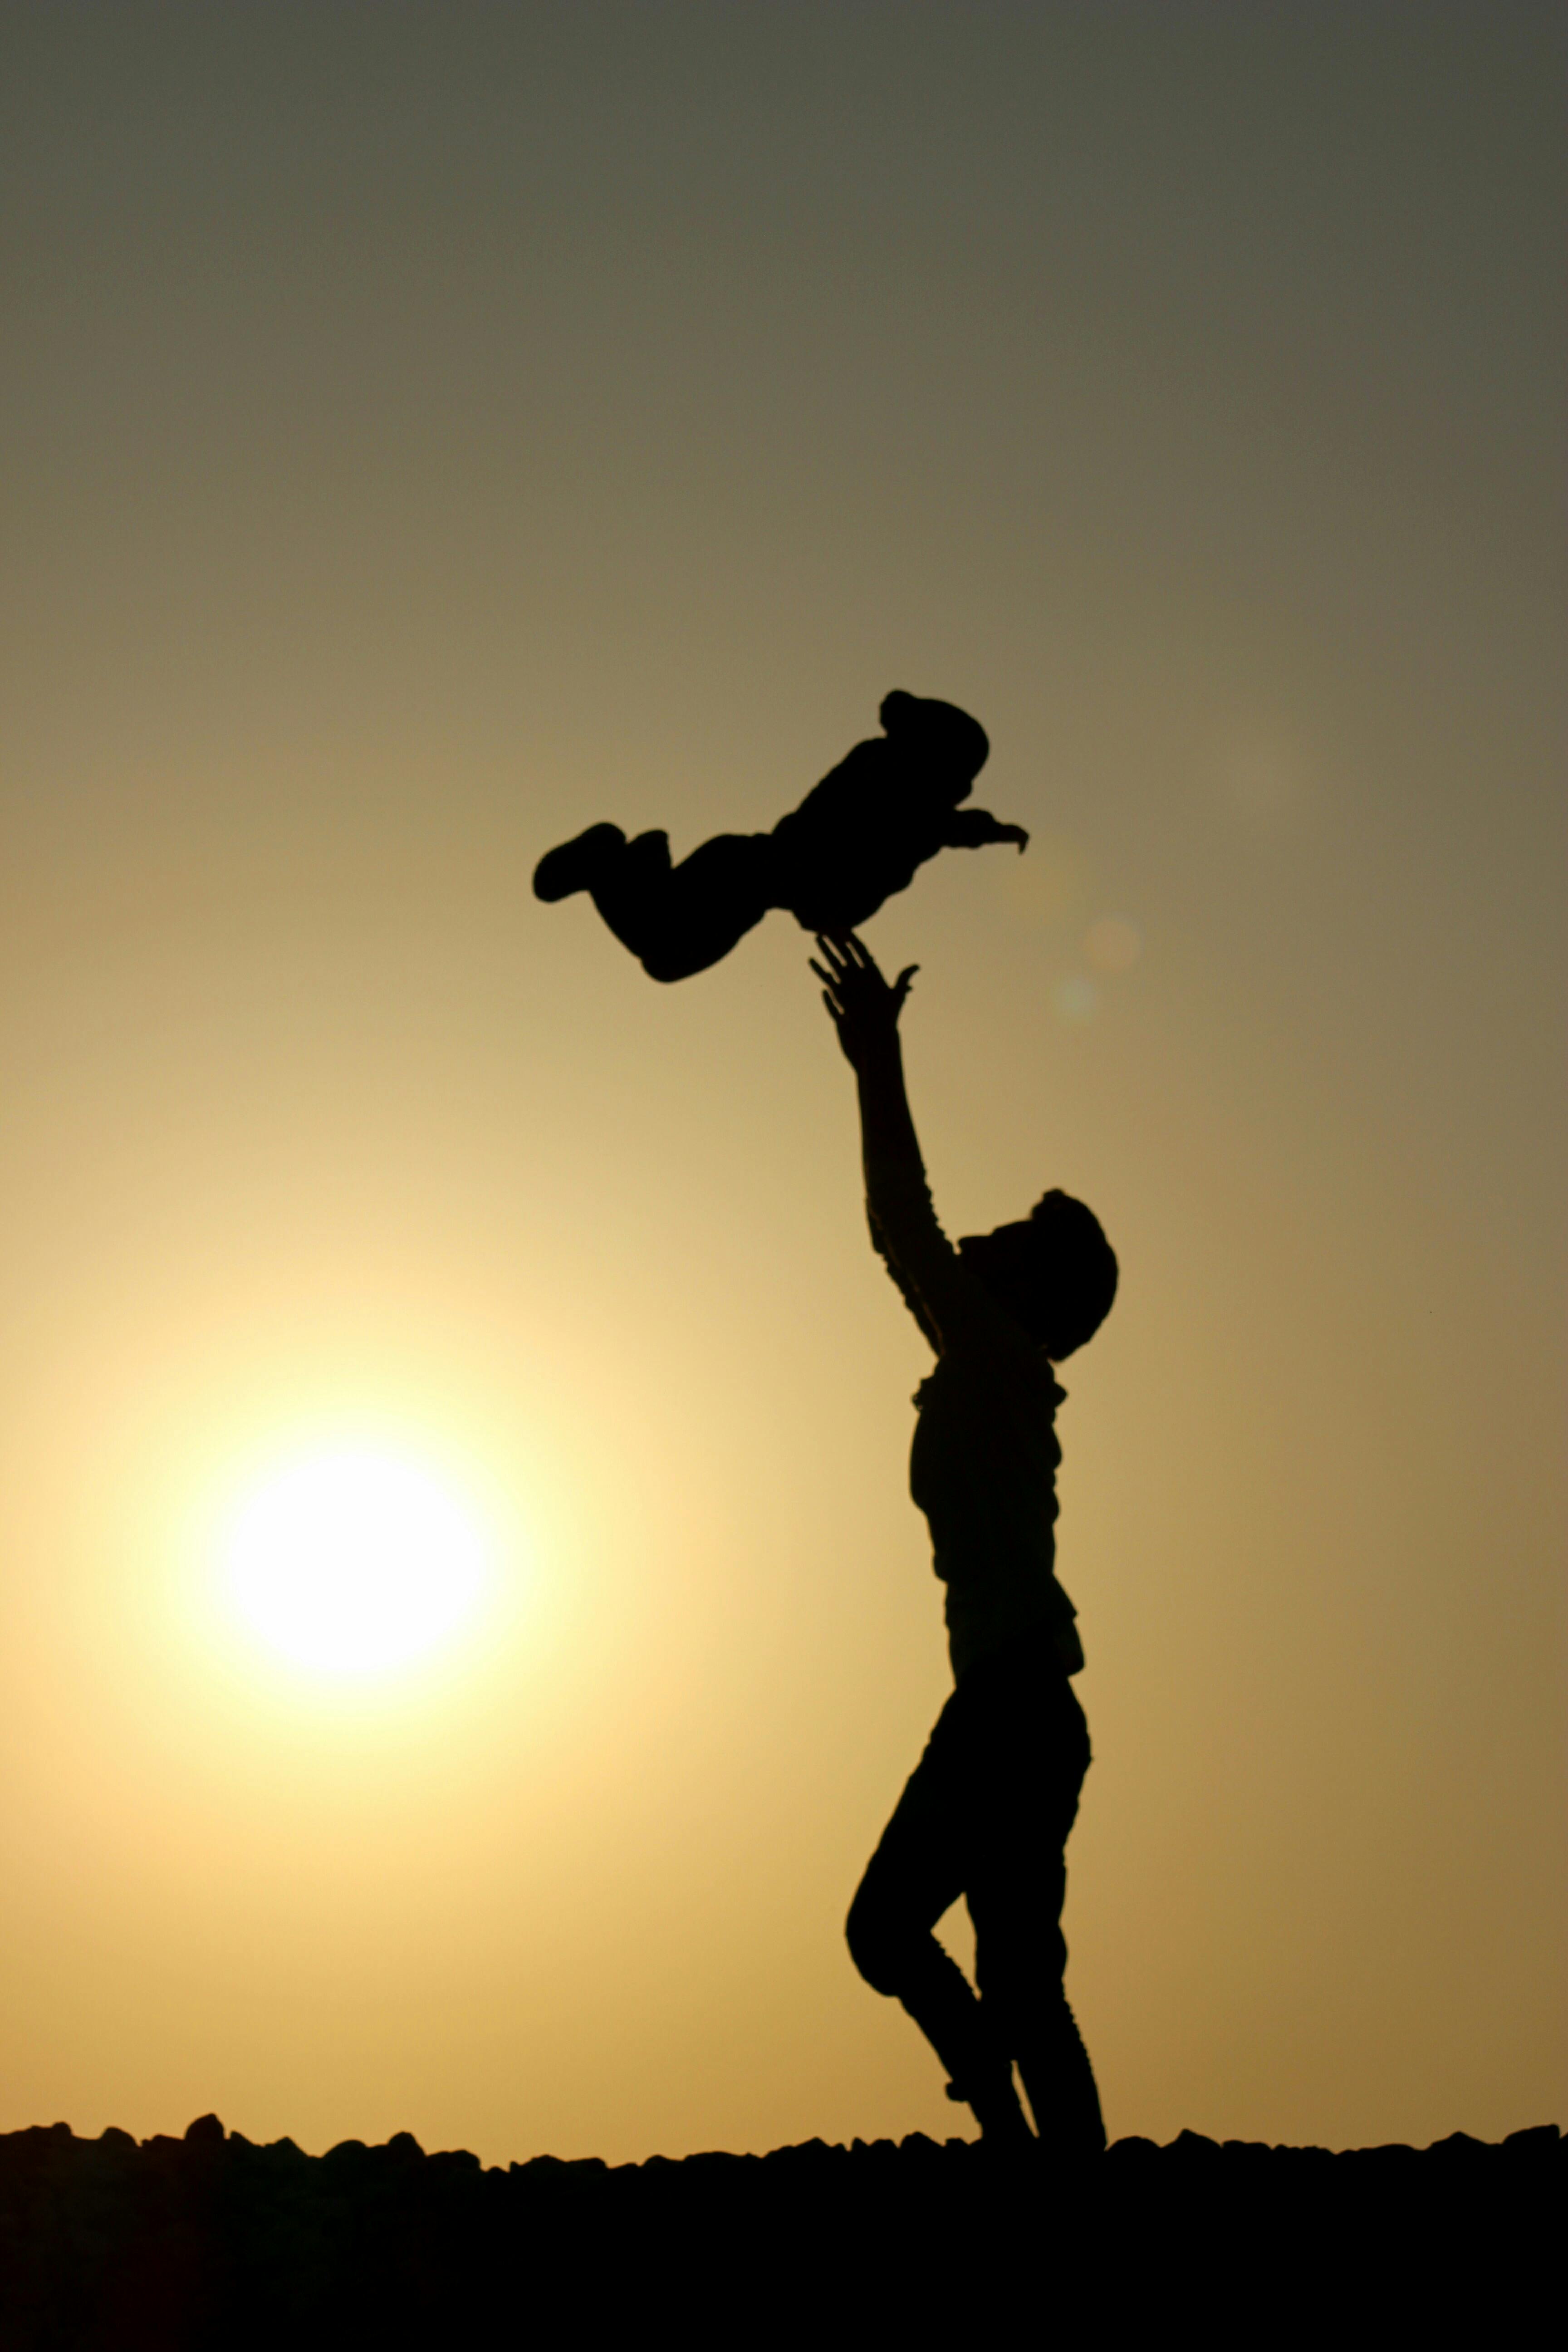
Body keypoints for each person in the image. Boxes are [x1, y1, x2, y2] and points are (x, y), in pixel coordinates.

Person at [810, 930, 1117, 2158]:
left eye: (1016, 1245)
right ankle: (1026, 2147)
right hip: (1019, 1710)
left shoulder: (996, 1363)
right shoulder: (992, 1373)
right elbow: (919, 1240)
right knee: (1013, 1980)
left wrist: (876, 1062)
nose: (985, 1242)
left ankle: (1009, 2135)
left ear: (1037, 1303)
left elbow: (904, 1225)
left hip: (1014, 1713)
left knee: (901, 1937)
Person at [532, 691, 1026, 982]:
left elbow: (926, 830)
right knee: (663, 948)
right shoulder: (891, 784)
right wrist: (987, 830)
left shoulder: (904, 803)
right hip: (747, 872)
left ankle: (635, 861)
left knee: (666, 960)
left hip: (754, 882)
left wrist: (982, 830)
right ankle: (614, 862)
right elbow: (925, 824)